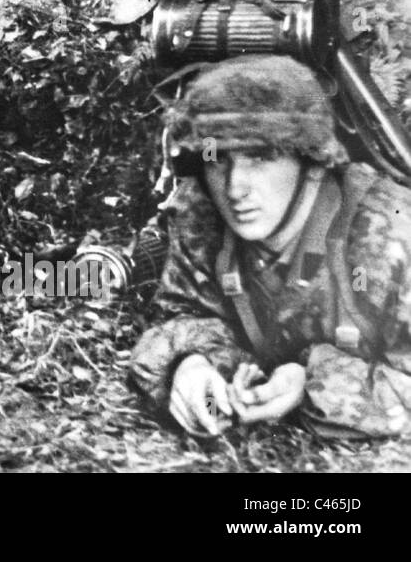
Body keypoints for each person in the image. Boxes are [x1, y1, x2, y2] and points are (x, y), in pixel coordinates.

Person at [131, 55, 411, 439]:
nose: (234, 188)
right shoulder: (203, 215)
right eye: (217, 160)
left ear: (312, 162)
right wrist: (190, 364)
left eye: (261, 157)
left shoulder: (390, 239)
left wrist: (310, 382)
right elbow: (179, 314)